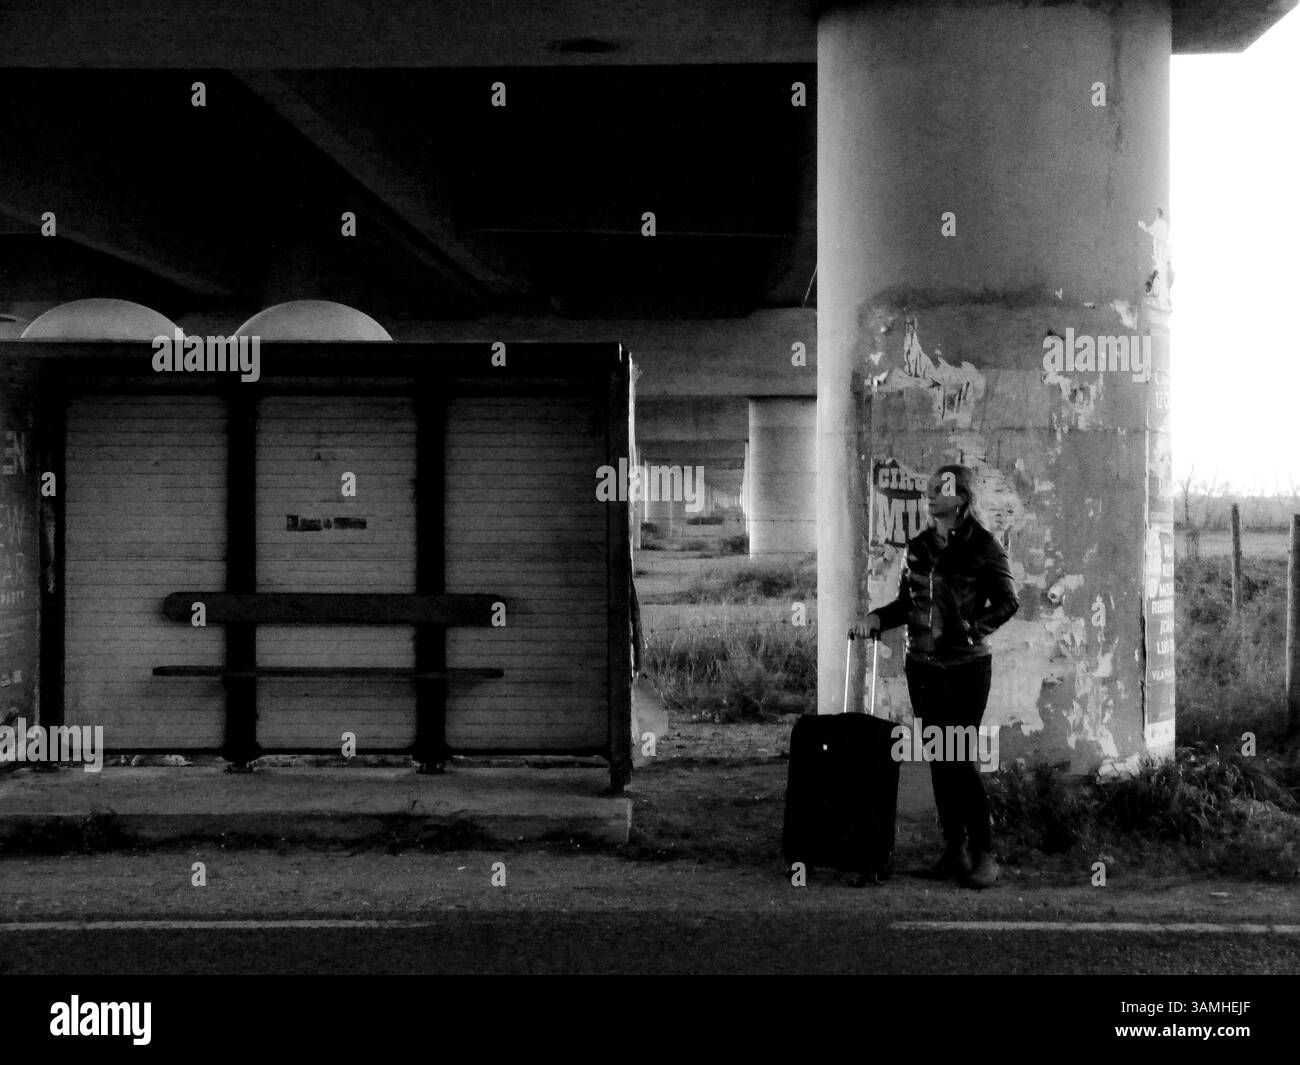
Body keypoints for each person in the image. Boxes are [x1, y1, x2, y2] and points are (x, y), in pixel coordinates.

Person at [854, 464, 1019, 889]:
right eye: (928, 489)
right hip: (922, 666)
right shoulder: (919, 547)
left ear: (960, 497)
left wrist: (972, 628)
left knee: (959, 756)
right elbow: (907, 604)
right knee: (940, 759)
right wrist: (876, 617)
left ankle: (984, 853)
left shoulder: (984, 546)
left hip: (965, 668)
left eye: (939, 490)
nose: (929, 495)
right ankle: (954, 851)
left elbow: (1007, 601)